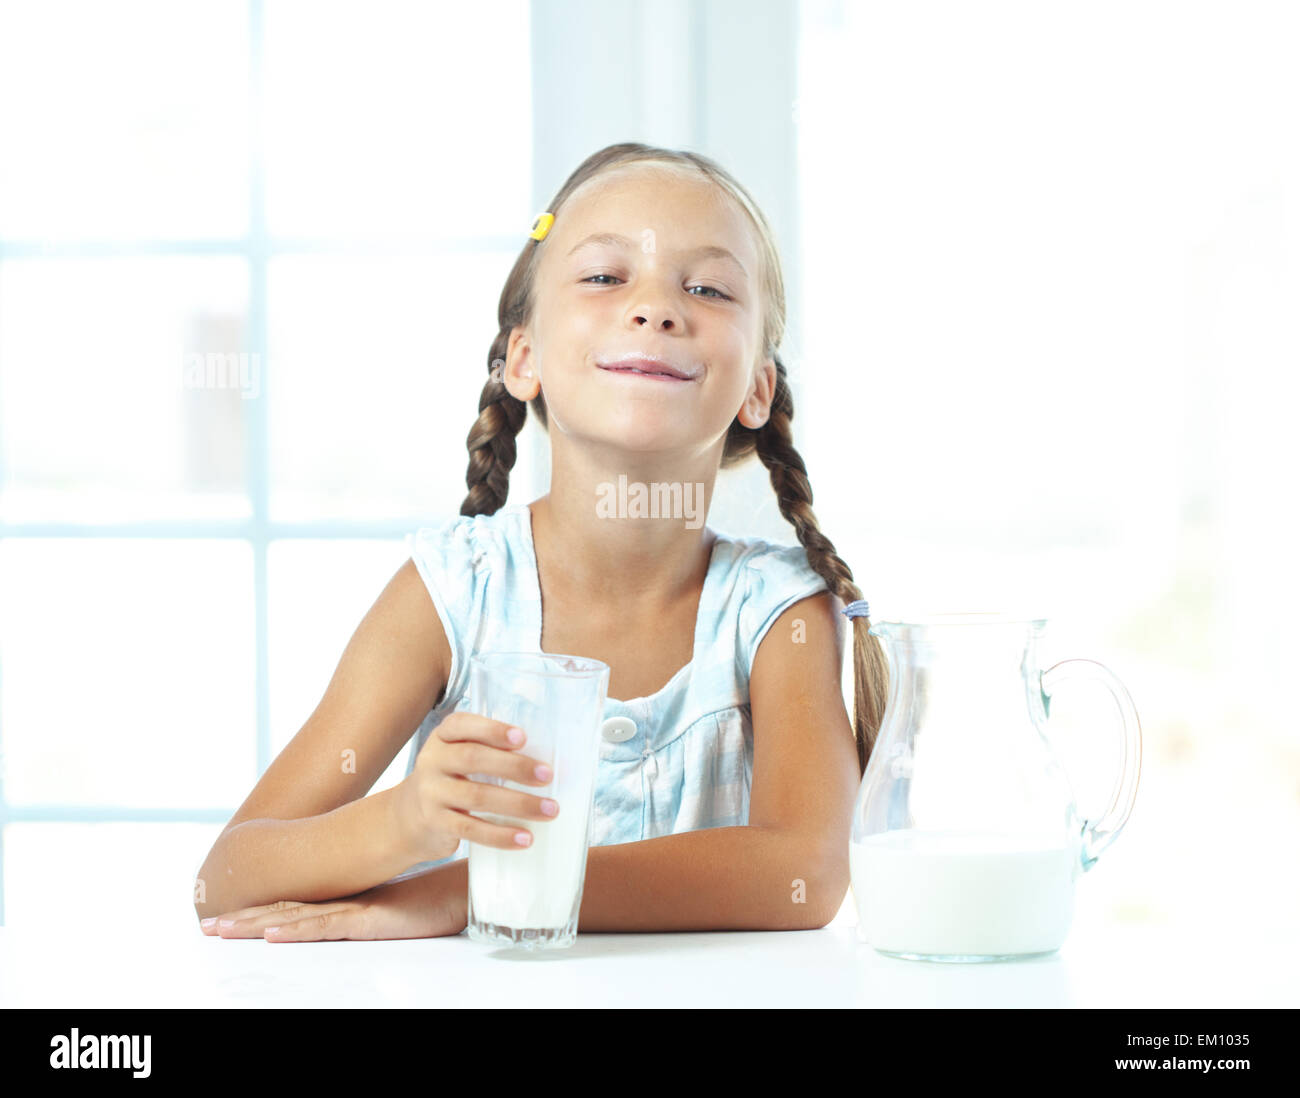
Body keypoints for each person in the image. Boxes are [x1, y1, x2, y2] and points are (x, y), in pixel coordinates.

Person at [195, 142, 889, 941]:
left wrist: (466, 890)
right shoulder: (451, 592)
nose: (656, 308)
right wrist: (407, 820)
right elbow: (225, 878)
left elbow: (802, 872)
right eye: (603, 277)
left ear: (758, 389)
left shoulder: (782, 614)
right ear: (523, 359)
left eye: (707, 288)